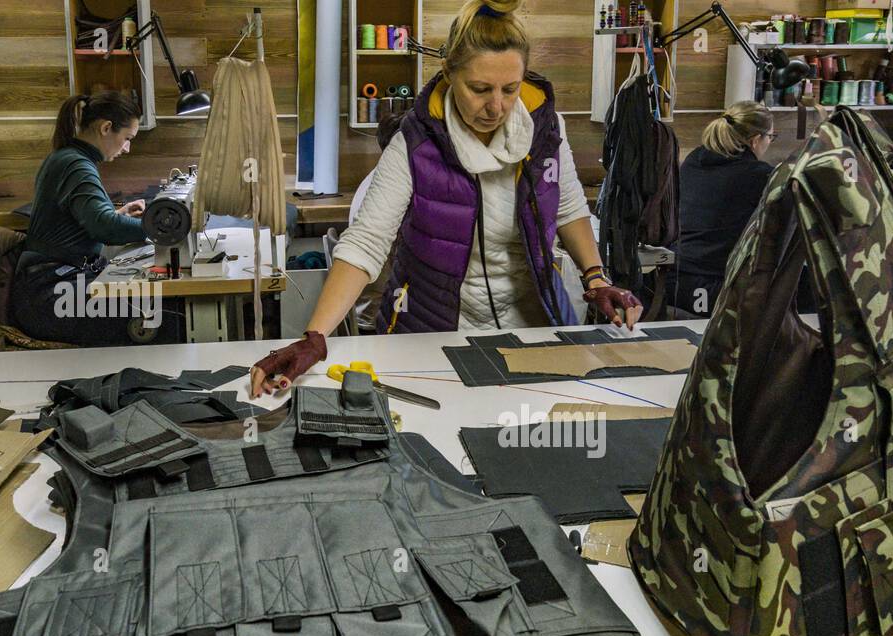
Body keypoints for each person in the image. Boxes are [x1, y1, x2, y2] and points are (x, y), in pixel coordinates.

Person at [250, 0, 641, 398]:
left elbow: (569, 207)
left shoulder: (545, 128)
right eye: (480, 89)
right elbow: (366, 243)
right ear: (450, 74)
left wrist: (595, 277)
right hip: (435, 328)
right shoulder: (415, 142)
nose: (497, 106)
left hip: (534, 320)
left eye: (510, 89)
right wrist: (314, 336)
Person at [10, 91, 150, 346]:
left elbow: (86, 222)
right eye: (127, 138)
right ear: (106, 128)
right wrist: (159, 228)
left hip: (49, 285)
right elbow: (104, 227)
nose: (127, 148)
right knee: (155, 315)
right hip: (50, 295)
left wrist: (119, 214)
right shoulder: (76, 165)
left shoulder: (67, 158)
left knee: (150, 305)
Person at [667, 101, 775, 317]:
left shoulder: (693, 160)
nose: (770, 143)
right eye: (771, 137)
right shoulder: (759, 175)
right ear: (755, 140)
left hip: (674, 280)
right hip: (718, 287)